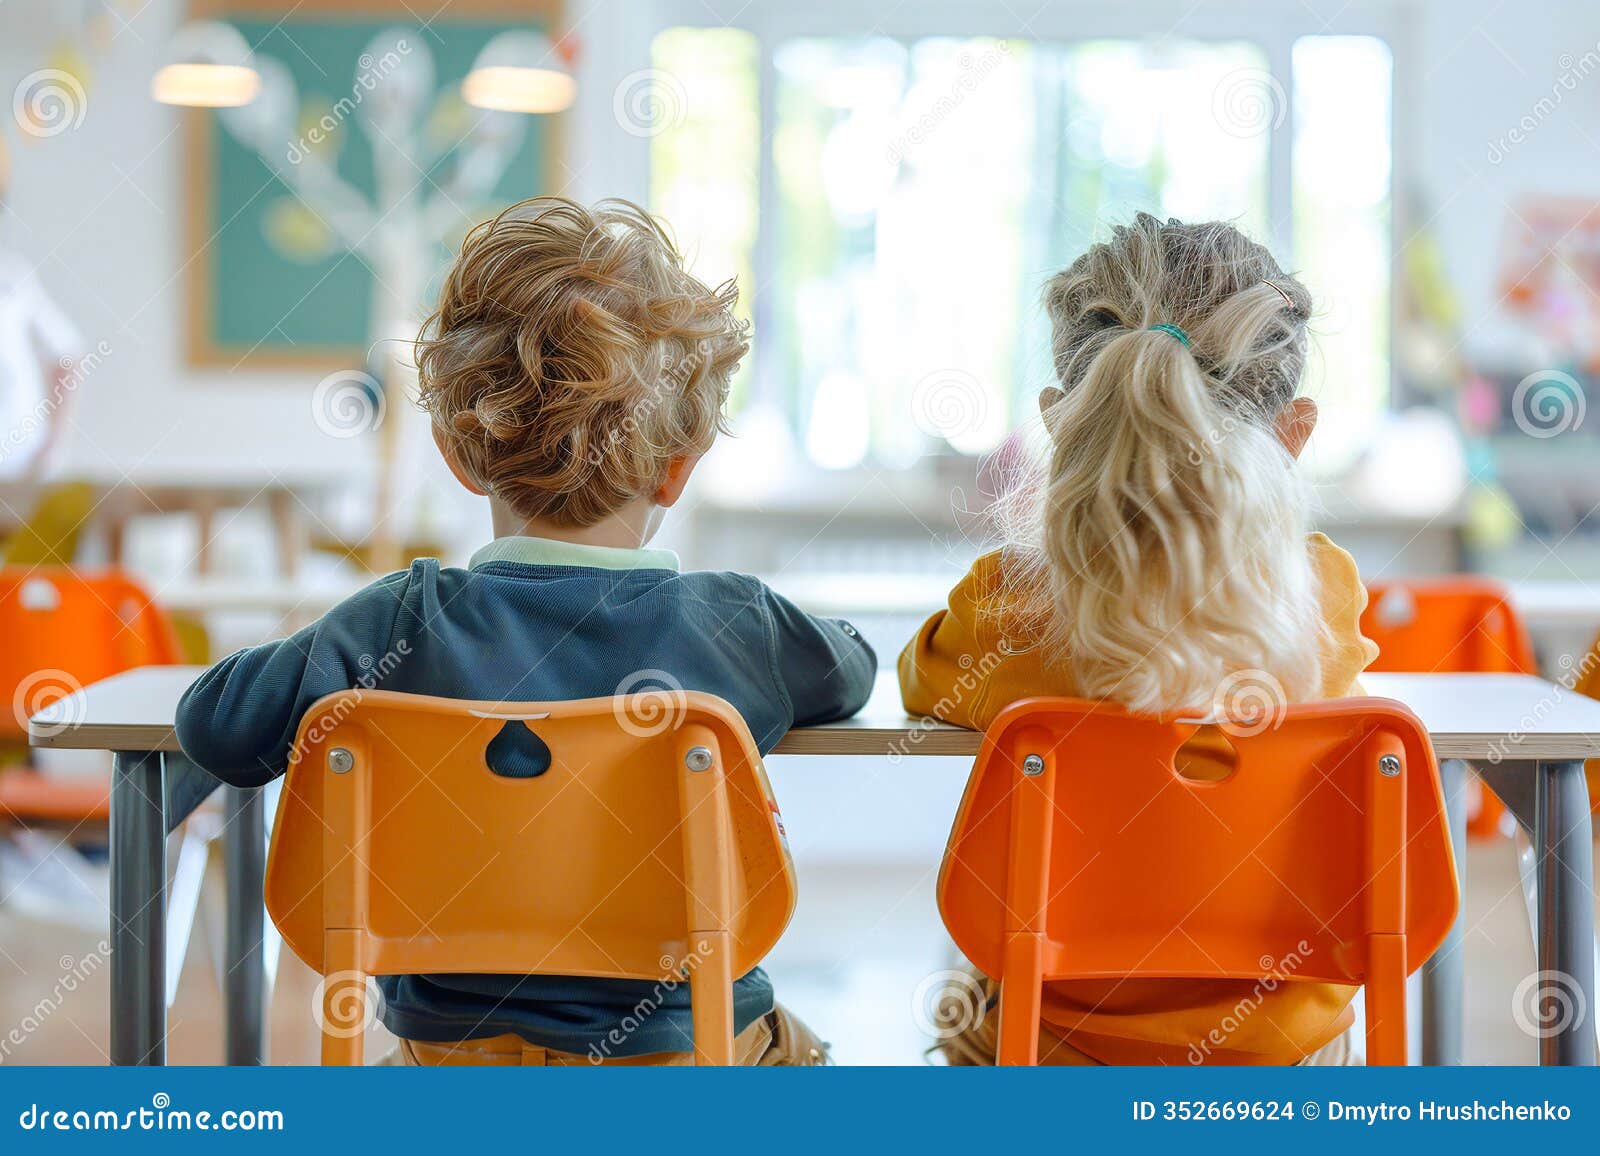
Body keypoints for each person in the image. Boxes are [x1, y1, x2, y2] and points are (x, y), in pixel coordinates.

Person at [178, 197, 877, 1066]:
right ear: (677, 471)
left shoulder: (396, 622)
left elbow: (216, 726)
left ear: (458, 454)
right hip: (687, 1062)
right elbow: (852, 672)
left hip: (456, 1068)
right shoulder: (737, 623)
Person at [900, 213, 1377, 1066]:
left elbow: (920, 678)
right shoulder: (1323, 596)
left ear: (1059, 422)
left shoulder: (1007, 606)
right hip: (1286, 1059)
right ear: (1294, 432)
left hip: (1051, 1049)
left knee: (968, 975)